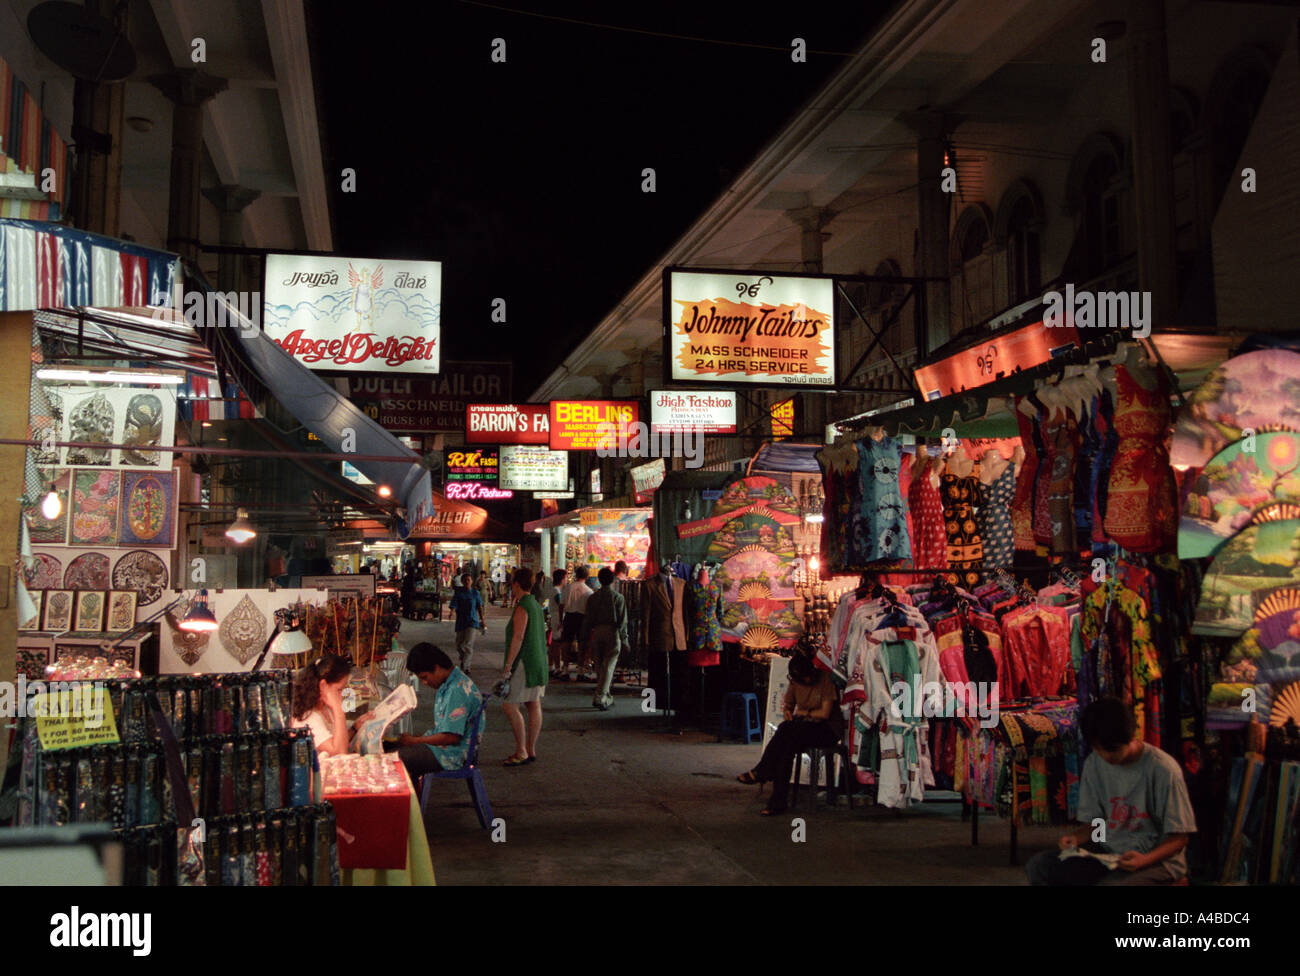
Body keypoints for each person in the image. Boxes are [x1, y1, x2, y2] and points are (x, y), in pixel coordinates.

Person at [1026, 697, 1196, 885]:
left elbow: (1180, 837)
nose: (1106, 756)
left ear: (1131, 737)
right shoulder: (1094, 764)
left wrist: (1145, 860)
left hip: (1156, 861)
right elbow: (1098, 825)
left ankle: (1175, 882)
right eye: (1099, 749)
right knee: (1041, 866)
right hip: (1110, 854)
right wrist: (1076, 839)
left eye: (1113, 750)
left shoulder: (1163, 770)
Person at [736, 650, 841, 815]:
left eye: (807, 677)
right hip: (803, 728)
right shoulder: (795, 682)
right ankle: (777, 802)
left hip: (826, 730)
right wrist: (788, 712)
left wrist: (803, 714)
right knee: (786, 749)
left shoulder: (825, 679)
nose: (806, 681)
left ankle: (762, 773)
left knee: (786, 730)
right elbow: (789, 705)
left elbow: (824, 714)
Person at [392, 642, 485, 788]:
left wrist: (416, 741)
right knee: (393, 747)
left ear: (437, 667)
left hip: (453, 755)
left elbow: (451, 737)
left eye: (425, 677)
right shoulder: (450, 683)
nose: (424, 682)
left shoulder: (457, 690)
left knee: (395, 759)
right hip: (445, 748)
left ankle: (403, 805)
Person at [500, 567, 548, 766]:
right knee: (533, 704)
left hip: (524, 662)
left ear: (516, 584)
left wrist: (508, 666)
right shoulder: (536, 605)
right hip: (538, 660)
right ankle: (531, 749)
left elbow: (518, 638)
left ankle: (521, 751)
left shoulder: (523, 606)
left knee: (510, 704)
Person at [580, 566, 628, 710]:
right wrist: (625, 639)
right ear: (613, 580)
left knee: (599, 664)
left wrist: (584, 638)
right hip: (612, 632)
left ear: (599, 580)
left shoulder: (592, 598)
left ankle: (606, 696)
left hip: (597, 632)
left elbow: (587, 619)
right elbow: (622, 621)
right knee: (609, 665)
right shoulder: (618, 598)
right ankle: (600, 696)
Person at [290, 654, 354, 757]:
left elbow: (338, 740)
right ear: (323, 685)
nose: (342, 694)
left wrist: (355, 728)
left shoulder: (325, 708)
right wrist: (339, 711)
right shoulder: (309, 718)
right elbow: (340, 753)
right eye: (339, 689)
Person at [560, 565, 594, 680]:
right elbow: (589, 609)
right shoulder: (589, 591)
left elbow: (561, 605)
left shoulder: (567, 588)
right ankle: (580, 671)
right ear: (587, 576)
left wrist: (561, 619)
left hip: (569, 617)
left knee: (566, 643)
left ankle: (565, 670)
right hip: (582, 618)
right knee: (582, 644)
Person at [449, 572, 486, 673]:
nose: (467, 582)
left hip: (472, 621)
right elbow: (454, 603)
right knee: (459, 644)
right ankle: (464, 658)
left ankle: (466, 667)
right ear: (462, 582)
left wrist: (483, 620)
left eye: (468, 580)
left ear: (472, 581)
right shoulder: (459, 593)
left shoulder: (475, 593)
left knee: (468, 645)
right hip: (461, 621)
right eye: (465, 580)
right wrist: (452, 611)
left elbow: (480, 607)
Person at [545, 568, 568, 677]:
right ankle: (557, 667)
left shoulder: (554, 590)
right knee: (556, 644)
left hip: (554, 617)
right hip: (557, 618)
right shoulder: (557, 591)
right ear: (562, 579)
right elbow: (561, 605)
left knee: (554, 643)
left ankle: (552, 666)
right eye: (566, 577)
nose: (567, 580)